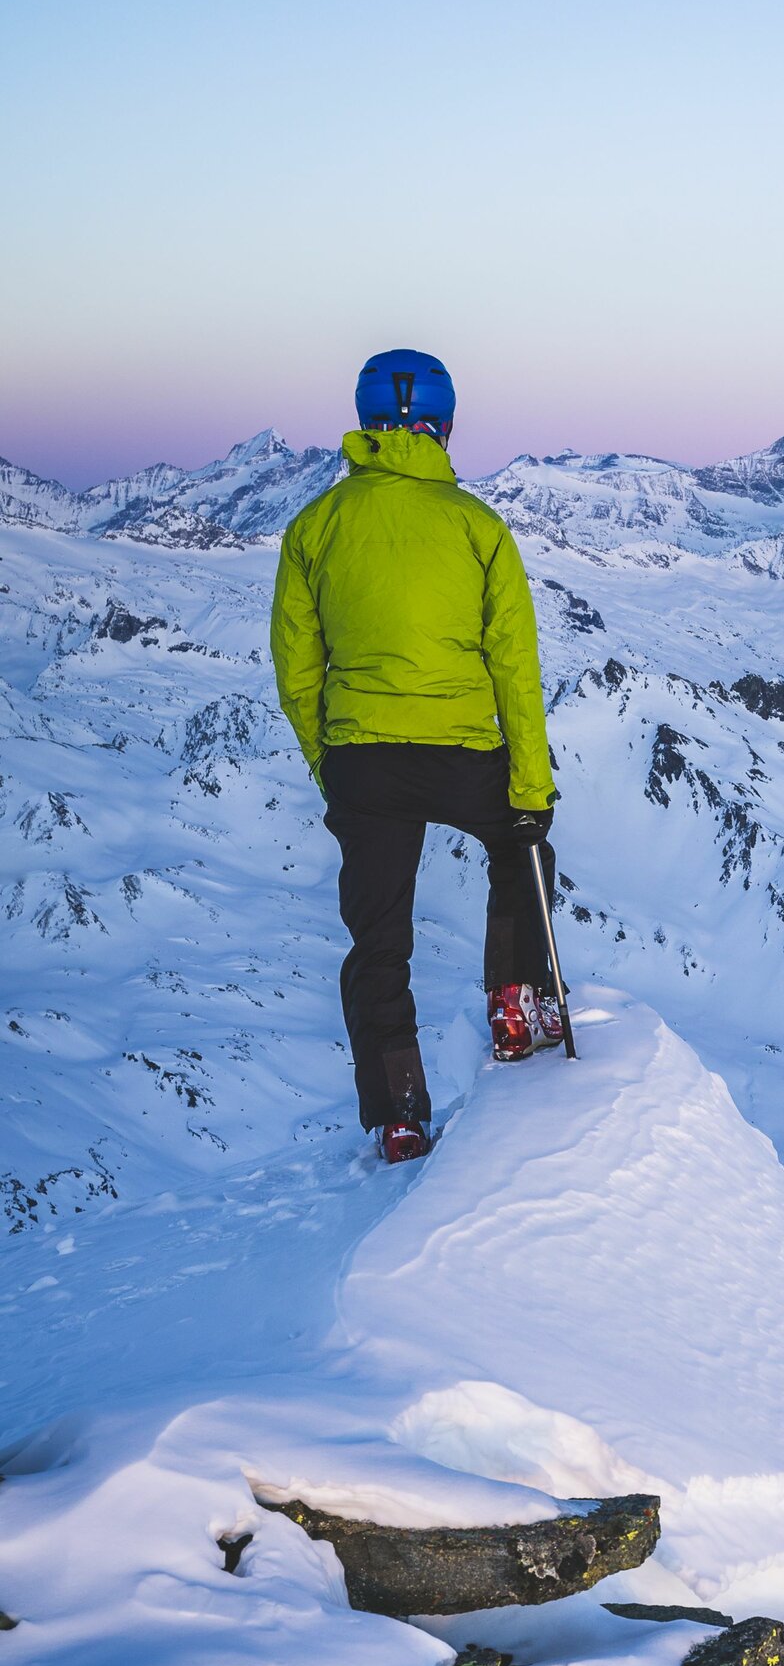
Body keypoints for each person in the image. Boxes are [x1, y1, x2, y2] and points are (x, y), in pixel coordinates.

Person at [270, 348, 563, 1164]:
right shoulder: (478, 527)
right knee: (520, 846)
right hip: (466, 753)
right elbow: (516, 667)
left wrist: (330, 762)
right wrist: (530, 788)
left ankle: (400, 1114)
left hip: (364, 762)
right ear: (445, 426)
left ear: (366, 423)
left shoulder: (314, 527)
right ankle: (515, 1004)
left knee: (379, 943)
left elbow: (298, 669)